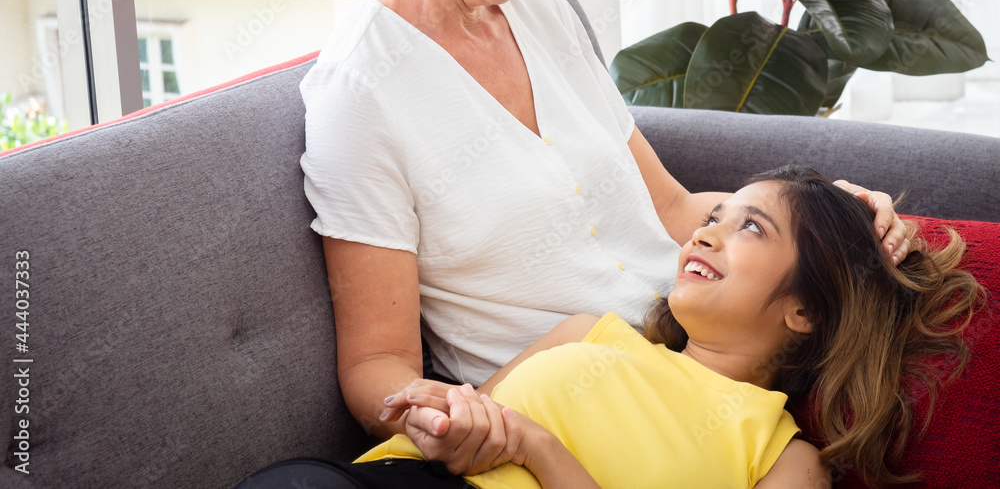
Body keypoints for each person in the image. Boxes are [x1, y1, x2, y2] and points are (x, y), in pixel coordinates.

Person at [298, 0, 915, 459]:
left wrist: (828, 220)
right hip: (583, 415)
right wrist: (443, 419)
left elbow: (674, 211)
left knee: (925, 305)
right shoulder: (361, 91)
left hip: (714, 351)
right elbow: (376, 364)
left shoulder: (542, 13)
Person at [237, 166, 983, 488]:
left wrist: (537, 444)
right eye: (711, 218)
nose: (706, 232)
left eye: (749, 226)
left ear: (807, 308)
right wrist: (448, 418)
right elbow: (446, 417)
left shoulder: (787, 458)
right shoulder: (587, 332)